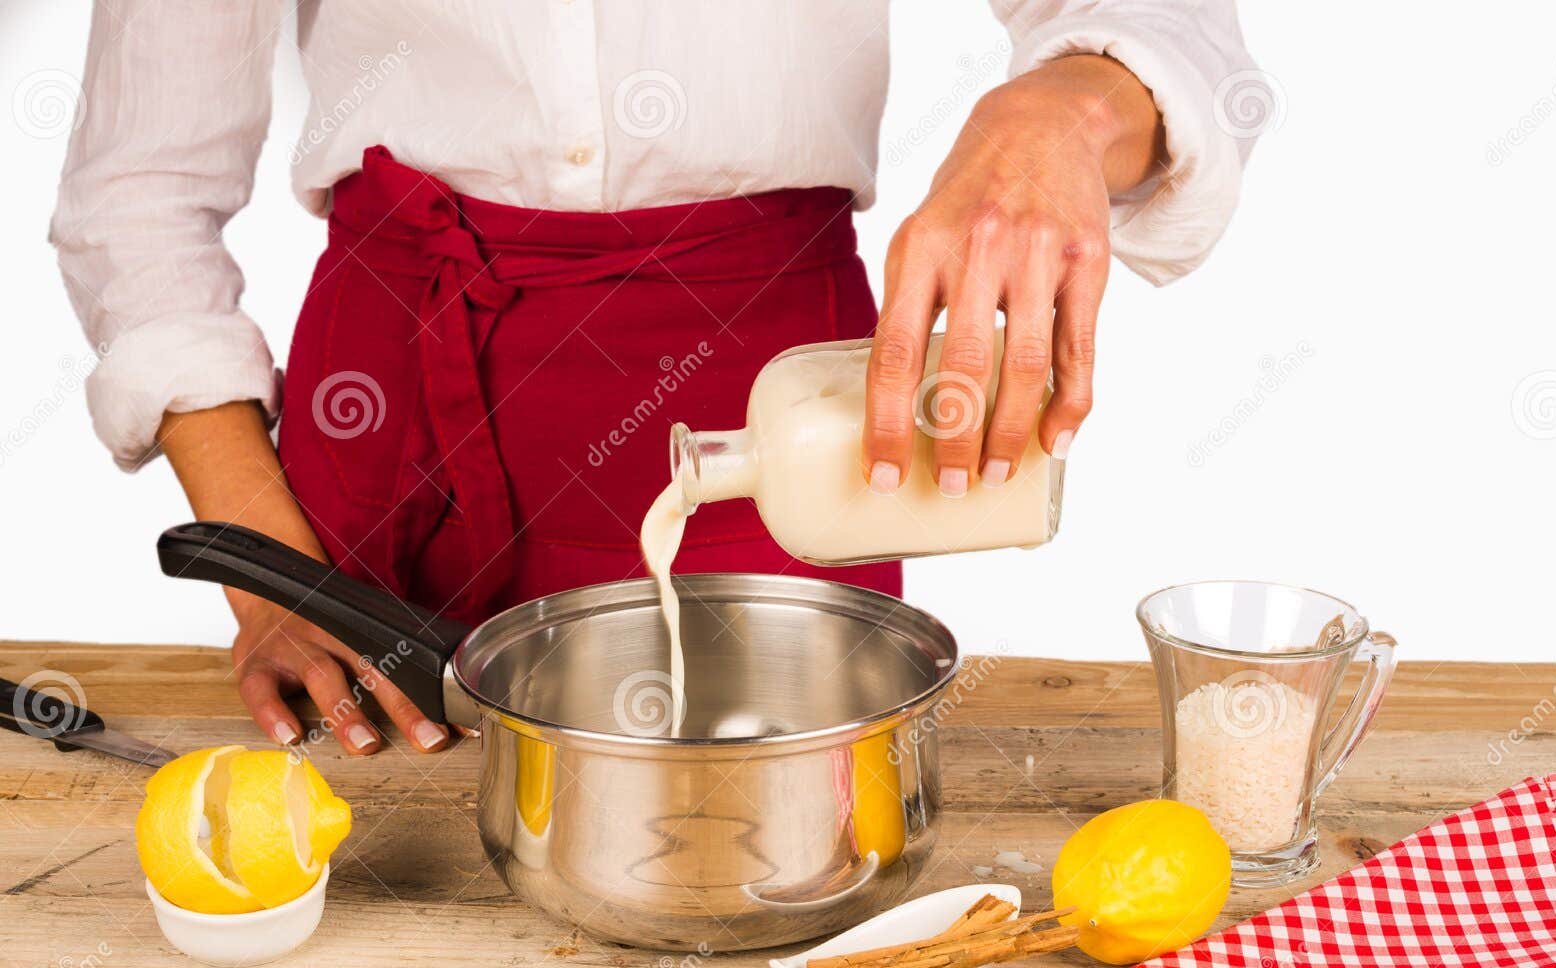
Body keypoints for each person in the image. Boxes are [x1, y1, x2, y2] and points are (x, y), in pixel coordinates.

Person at [52, 2, 1262, 756]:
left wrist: (1066, 102)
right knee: (373, 888)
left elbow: (1166, 27)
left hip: (761, 396)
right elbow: (138, 189)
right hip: (385, 407)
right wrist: (266, 565)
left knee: (763, 862)